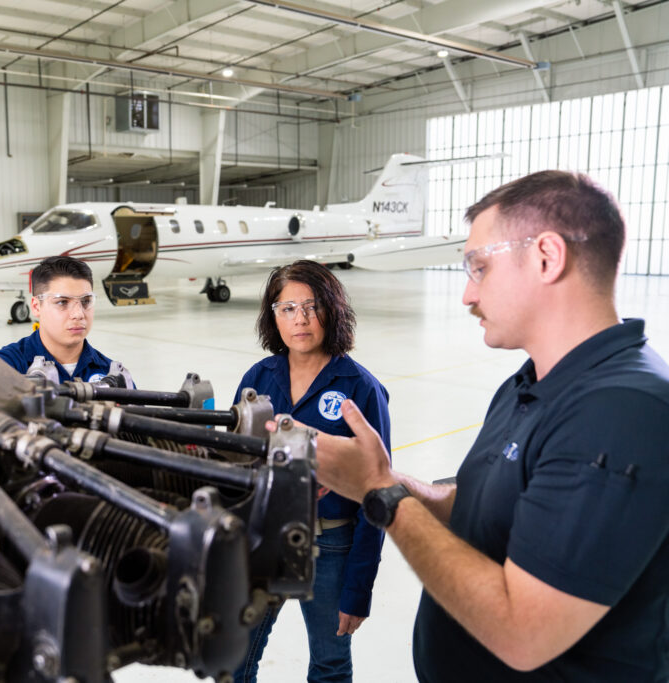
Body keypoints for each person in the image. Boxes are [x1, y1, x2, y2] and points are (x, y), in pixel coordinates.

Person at [305, 171, 669, 681]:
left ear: (547, 257)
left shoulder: (622, 410)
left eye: (479, 267)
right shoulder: (530, 382)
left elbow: (524, 634)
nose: (467, 295)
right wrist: (374, 476)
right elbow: (479, 509)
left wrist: (379, 492)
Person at [233, 260, 391, 683]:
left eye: (311, 306)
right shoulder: (258, 377)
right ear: (273, 316)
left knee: (330, 663)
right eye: (287, 308)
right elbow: (237, 463)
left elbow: (378, 493)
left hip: (331, 544)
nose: (300, 319)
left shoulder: (360, 387)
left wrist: (359, 589)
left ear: (333, 310)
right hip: (264, 537)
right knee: (235, 658)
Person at [0, 256, 134, 386]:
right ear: (36, 307)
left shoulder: (111, 374)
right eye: (62, 302)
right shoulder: (5, 367)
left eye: (86, 301)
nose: (78, 314)